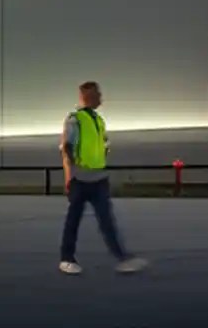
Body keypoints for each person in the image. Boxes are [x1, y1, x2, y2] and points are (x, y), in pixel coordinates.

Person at [59, 81, 147, 275]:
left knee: (106, 220)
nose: (100, 97)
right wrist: (70, 176)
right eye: (97, 94)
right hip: (80, 179)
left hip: (99, 178)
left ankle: (122, 257)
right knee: (73, 220)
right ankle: (66, 259)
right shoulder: (74, 119)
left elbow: (104, 144)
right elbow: (67, 147)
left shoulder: (99, 119)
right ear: (87, 96)